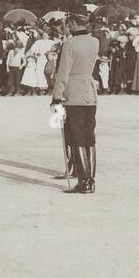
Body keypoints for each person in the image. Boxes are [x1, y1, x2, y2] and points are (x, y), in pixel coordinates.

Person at [51, 15, 99, 194]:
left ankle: (84, 180)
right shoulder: (94, 42)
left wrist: (56, 96)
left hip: (73, 93)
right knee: (89, 137)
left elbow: (63, 72)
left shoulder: (69, 44)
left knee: (76, 137)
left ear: (72, 24)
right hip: (90, 92)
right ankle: (91, 180)